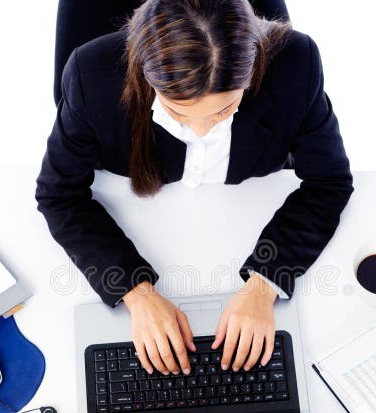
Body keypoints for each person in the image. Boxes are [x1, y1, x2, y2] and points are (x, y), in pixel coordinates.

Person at [36, 0, 353, 380]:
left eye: (223, 110)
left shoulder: (297, 63)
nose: (202, 131)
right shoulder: (91, 77)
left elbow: (329, 182)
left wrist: (265, 284)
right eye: (178, 112)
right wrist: (136, 294)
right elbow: (59, 195)